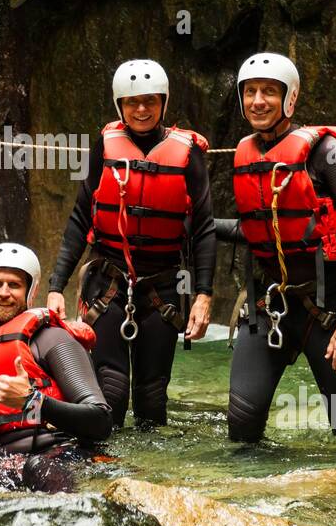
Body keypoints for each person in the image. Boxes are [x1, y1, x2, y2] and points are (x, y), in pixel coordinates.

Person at [218, 53, 336, 447]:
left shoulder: (326, 152)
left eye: (269, 92)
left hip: (326, 311)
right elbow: (255, 229)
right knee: (241, 432)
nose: (258, 101)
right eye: (250, 92)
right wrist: (196, 226)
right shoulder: (246, 154)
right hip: (268, 307)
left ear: (288, 99)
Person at [46, 59, 216, 428]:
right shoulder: (105, 146)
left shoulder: (188, 155)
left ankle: (149, 474)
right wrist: (56, 286)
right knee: (111, 389)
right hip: (108, 283)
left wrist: (203, 294)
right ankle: (105, 471)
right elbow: (79, 218)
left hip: (162, 288)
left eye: (150, 101)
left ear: (164, 103)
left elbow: (203, 228)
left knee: (152, 396)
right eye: (132, 101)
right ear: (119, 105)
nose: (142, 109)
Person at [0, 243, 110, 489]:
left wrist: (33, 402)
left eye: (14, 285)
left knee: (37, 468)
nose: (4, 293)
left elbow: (101, 421)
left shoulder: (52, 339)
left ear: (30, 291)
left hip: (58, 455)